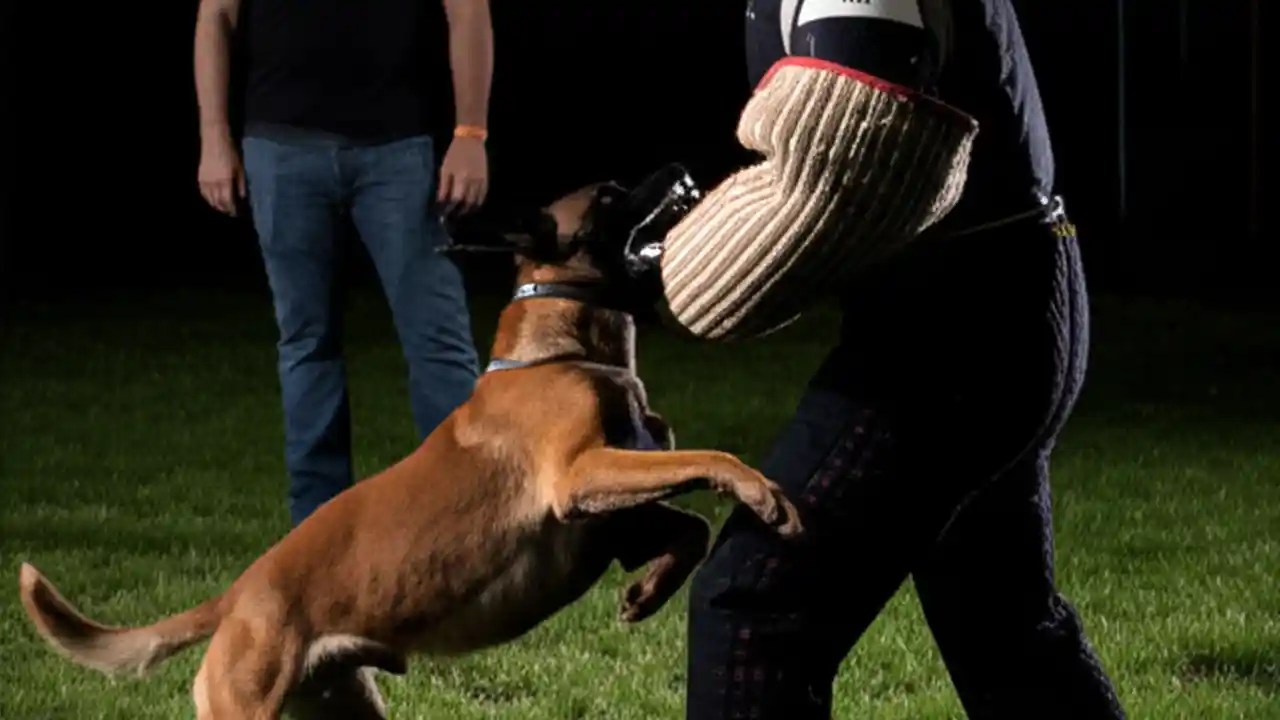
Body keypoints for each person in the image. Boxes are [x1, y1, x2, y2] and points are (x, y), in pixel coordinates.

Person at [641, 1, 1130, 717]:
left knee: (753, 607)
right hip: (1010, 285)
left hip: (958, 322)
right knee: (1004, 625)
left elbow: (852, 155)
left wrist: (660, 276)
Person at [193, 0, 491, 526]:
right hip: (280, 147)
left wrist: (471, 135)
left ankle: (469, 509)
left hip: (398, 148)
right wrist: (214, 138)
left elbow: (468, 12)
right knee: (307, 341)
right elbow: (215, 16)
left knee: (437, 339)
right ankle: (318, 525)